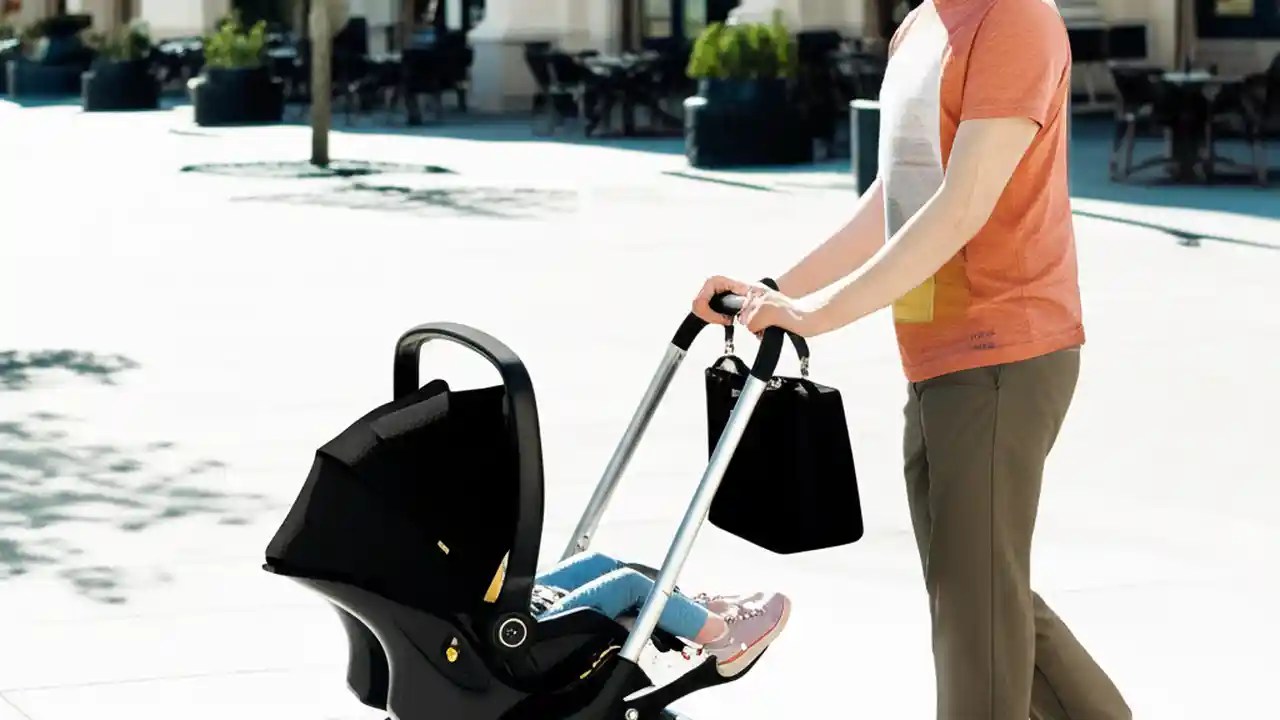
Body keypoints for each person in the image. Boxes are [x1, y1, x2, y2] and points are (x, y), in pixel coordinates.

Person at [691, 0, 1131, 718]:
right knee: (979, 595)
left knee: (975, 617)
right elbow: (895, 196)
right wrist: (778, 291)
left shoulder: (1014, 19)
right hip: (935, 355)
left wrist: (816, 315)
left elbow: (962, 205)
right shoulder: (921, 26)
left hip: (1002, 354)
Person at [484, 551, 790, 677]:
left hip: (514, 603)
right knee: (628, 585)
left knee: (596, 562)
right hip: (515, 634)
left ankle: (687, 609)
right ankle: (721, 638)